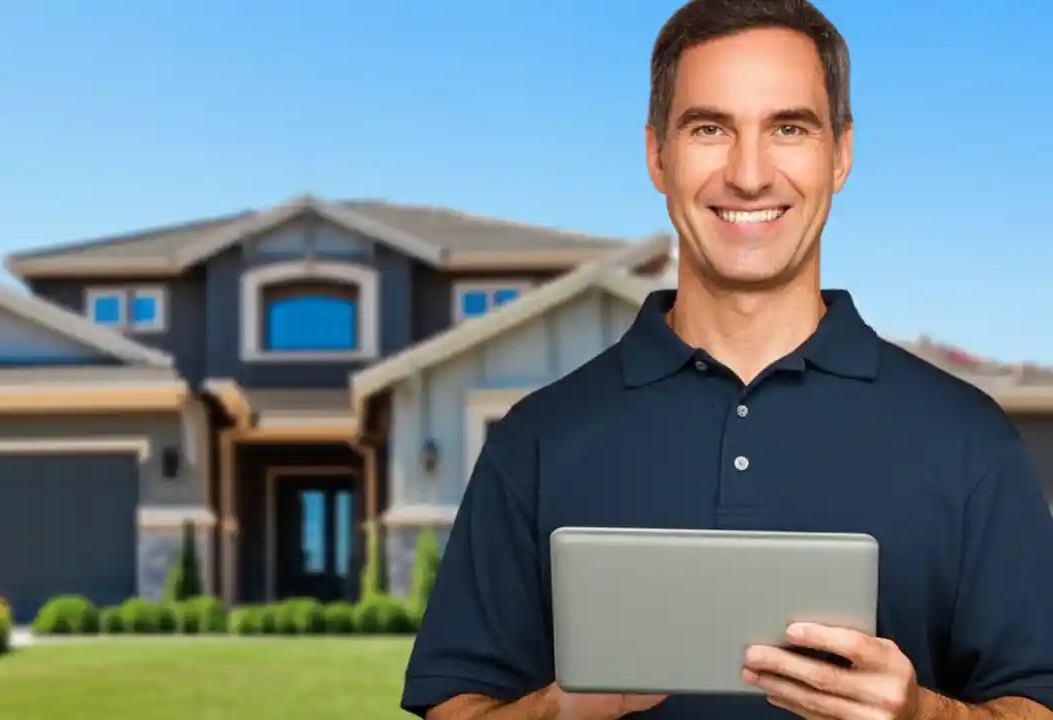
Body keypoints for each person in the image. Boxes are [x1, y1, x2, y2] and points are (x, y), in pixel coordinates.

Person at [399, 0, 1053, 718]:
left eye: (789, 128)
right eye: (710, 129)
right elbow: (455, 707)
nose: (748, 174)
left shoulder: (967, 438)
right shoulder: (537, 438)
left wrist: (923, 715)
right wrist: (567, 709)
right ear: (658, 155)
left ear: (841, 154)